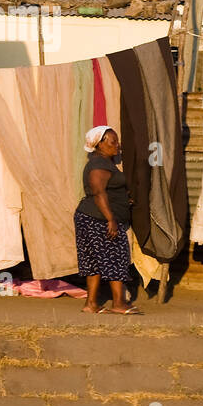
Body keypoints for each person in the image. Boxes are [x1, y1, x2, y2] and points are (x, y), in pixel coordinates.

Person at [74, 125, 140, 314]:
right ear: (100, 144)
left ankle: (91, 304)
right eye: (113, 142)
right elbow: (98, 192)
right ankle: (119, 304)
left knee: (93, 262)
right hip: (99, 219)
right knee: (116, 258)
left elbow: (109, 190)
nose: (117, 145)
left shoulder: (104, 163)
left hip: (90, 217)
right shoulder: (98, 166)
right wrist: (111, 219)